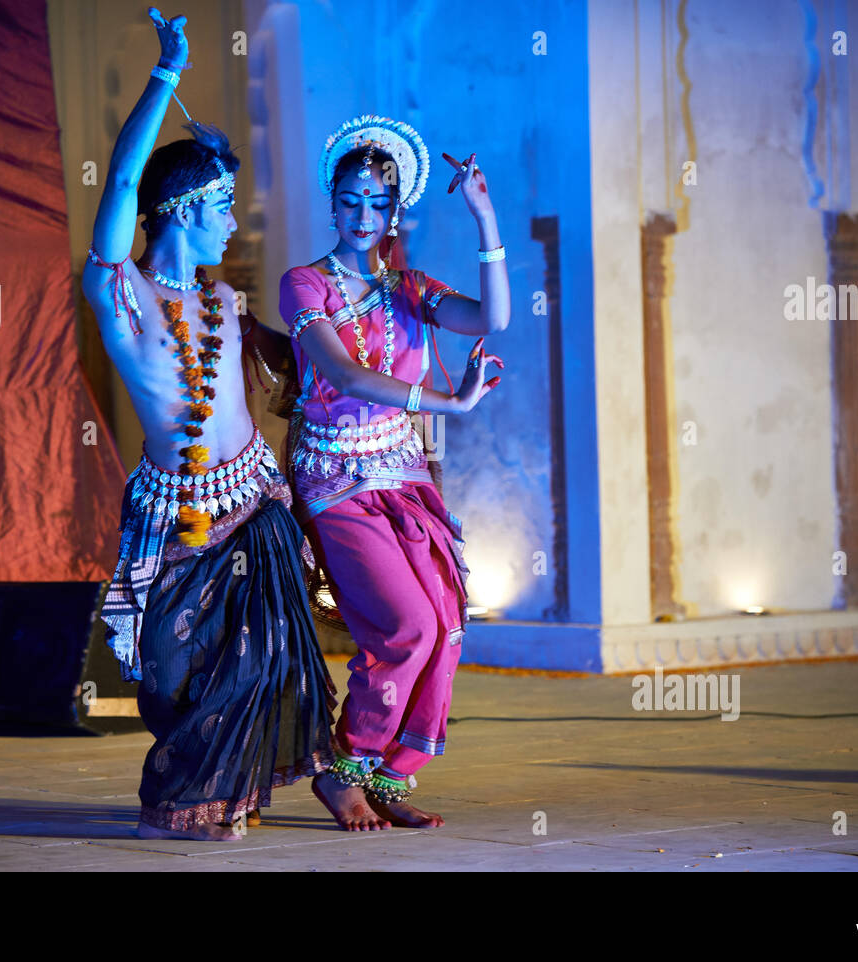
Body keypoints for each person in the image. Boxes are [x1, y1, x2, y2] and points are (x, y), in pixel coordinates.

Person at [84, 9, 335, 842]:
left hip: (254, 499)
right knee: (179, 669)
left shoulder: (224, 301)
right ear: (184, 207)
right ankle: (187, 793)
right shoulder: (125, 300)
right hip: (177, 512)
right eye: (223, 203)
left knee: (263, 657)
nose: (234, 220)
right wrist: (166, 75)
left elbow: (301, 365)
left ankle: (237, 793)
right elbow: (122, 190)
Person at [279, 115, 509, 831]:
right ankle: (342, 770)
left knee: (446, 623)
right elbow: (343, 373)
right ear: (332, 201)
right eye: (350, 201)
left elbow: (491, 317)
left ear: (395, 210)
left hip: (401, 477)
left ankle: (385, 776)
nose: (363, 216)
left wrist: (483, 215)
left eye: (378, 205)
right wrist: (447, 401)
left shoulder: (409, 287)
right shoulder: (305, 285)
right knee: (407, 624)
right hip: (336, 480)